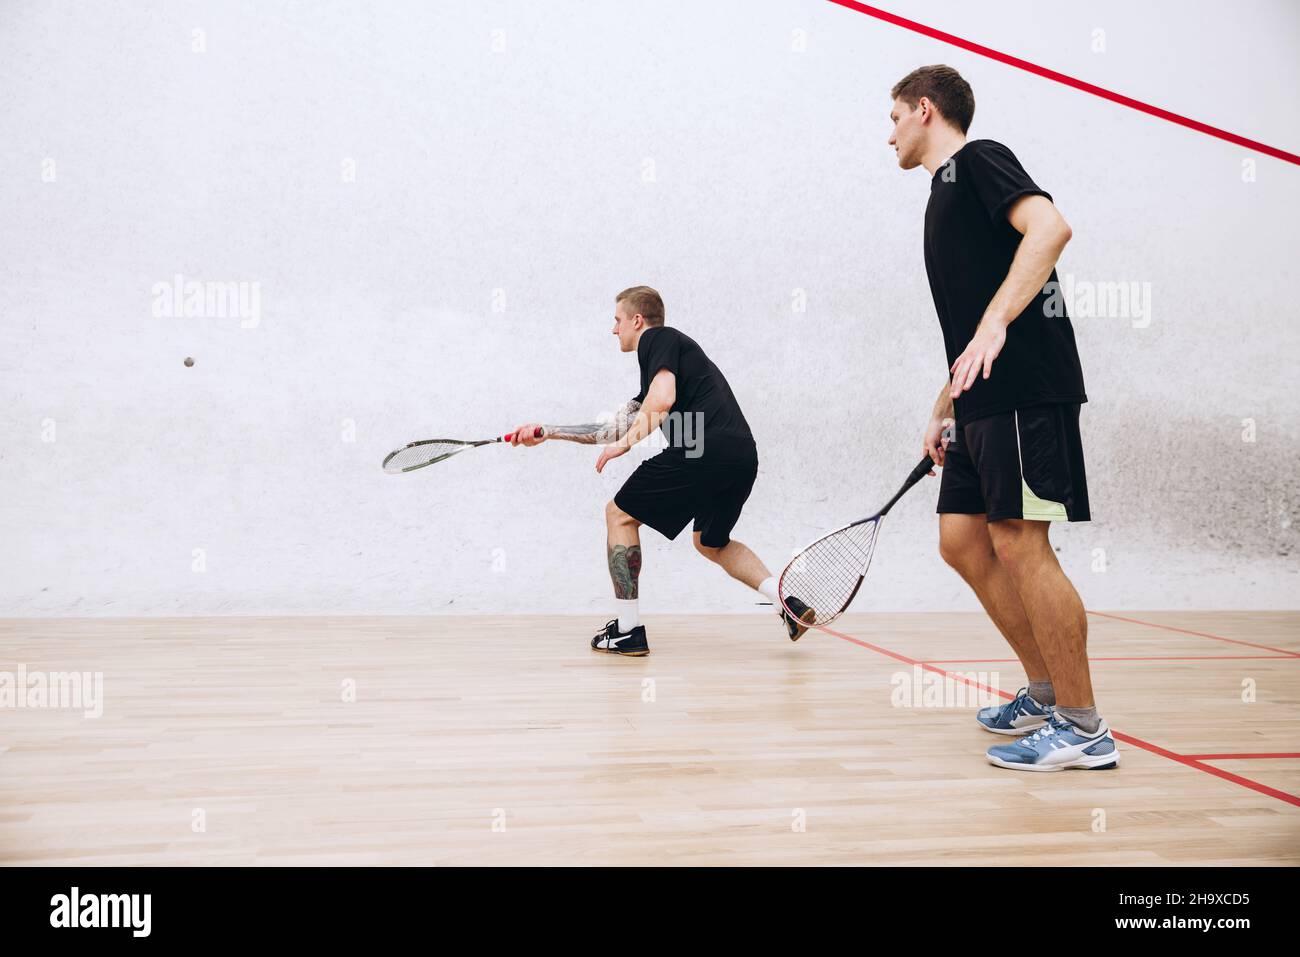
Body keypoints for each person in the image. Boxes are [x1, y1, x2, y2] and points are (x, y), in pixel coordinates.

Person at [887, 65, 1118, 771]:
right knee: (962, 540)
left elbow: (1051, 228)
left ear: (925, 109)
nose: (888, 135)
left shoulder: (979, 160)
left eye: (894, 118)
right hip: (980, 399)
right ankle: (1047, 689)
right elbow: (972, 324)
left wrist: (994, 325)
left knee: (1020, 541)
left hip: (1024, 389)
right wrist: (943, 406)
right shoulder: (942, 194)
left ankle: (1084, 726)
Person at [511, 286, 814, 656]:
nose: (614, 329)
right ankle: (787, 605)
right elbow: (612, 428)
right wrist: (549, 432)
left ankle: (628, 631)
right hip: (740, 457)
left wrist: (626, 445)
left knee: (619, 515)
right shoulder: (663, 368)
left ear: (638, 320)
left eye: (618, 320)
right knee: (710, 542)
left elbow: (663, 399)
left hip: (703, 450)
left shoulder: (658, 339)